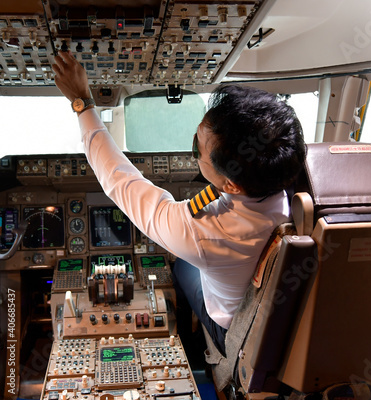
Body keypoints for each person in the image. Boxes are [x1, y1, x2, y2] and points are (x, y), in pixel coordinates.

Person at [52, 51, 307, 353]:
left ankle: (196, 343)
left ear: (232, 184)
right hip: (278, 316)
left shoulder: (202, 234)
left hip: (236, 331)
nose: (195, 151)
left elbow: (119, 181)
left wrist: (82, 102)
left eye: (195, 147)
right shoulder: (292, 182)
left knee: (182, 265)